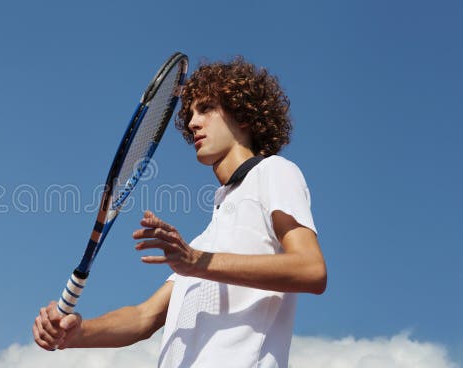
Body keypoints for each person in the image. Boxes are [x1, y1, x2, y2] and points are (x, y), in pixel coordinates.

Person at [32, 56, 327, 368]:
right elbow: (144, 316)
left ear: (242, 114)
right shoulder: (205, 241)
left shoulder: (274, 172)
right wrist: (77, 334)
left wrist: (197, 262)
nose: (192, 122)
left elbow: (312, 269)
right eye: (190, 113)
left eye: (207, 108)